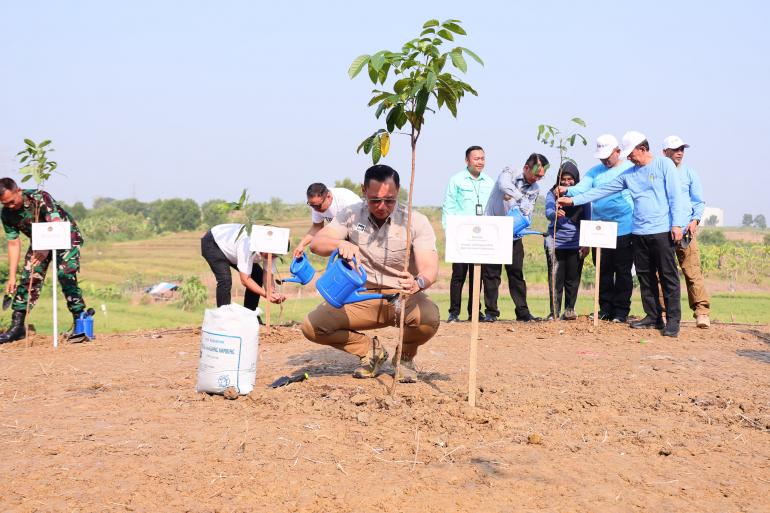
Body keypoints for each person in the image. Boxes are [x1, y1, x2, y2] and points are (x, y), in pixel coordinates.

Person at [301, 165, 439, 383]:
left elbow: (429, 267)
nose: (382, 206)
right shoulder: (350, 214)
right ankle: (370, 351)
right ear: (363, 190)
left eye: (389, 200)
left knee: (429, 318)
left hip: (402, 298)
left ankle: (404, 358)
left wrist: (418, 282)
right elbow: (317, 243)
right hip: (361, 297)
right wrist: (339, 244)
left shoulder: (416, 221)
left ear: (399, 190)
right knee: (312, 327)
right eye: (375, 200)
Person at [558, 131, 686, 337]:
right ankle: (653, 316)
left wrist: (677, 224)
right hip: (638, 231)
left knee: (667, 275)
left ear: (643, 149)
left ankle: (673, 320)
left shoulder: (664, 165)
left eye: (632, 153)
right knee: (645, 277)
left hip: (662, 230)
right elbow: (602, 190)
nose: (629, 158)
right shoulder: (629, 174)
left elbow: (675, 196)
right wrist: (573, 200)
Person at [0, 177, 88, 343]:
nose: (11, 206)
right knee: (29, 277)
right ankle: (17, 327)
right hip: (40, 242)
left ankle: (80, 322)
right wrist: (11, 276)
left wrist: (46, 249)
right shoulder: (6, 214)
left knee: (65, 275)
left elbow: (56, 225)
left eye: (12, 201)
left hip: (65, 237)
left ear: (18, 190)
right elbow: (13, 243)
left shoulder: (40, 197)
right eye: (5, 204)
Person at [560, 134, 635, 322]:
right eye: (601, 157)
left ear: (618, 151)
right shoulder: (595, 172)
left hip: (624, 227)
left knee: (623, 271)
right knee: (603, 270)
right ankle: (605, 308)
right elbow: (582, 188)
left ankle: (620, 311)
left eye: (608, 156)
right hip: (600, 228)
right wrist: (566, 190)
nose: (605, 160)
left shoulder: (630, 169)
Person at [481, 153, 548, 322]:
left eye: (541, 176)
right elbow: (504, 186)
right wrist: (519, 198)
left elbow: (527, 211)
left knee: (516, 274)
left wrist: (523, 211)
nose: (537, 179)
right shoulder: (509, 172)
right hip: (494, 230)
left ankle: (523, 312)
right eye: (536, 175)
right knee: (491, 274)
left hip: (514, 234)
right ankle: (491, 313)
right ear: (526, 168)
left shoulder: (534, 189)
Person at [441, 145, 494, 323]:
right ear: (467, 161)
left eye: (482, 158)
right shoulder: (456, 180)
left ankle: (474, 312)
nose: (480, 162)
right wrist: (449, 232)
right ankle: (454, 312)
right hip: (461, 234)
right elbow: (448, 206)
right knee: (458, 275)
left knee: (476, 276)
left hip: (482, 235)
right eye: (476, 158)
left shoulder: (489, 182)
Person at [662, 135, 710, 328]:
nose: (680, 152)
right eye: (675, 149)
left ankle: (702, 312)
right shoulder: (658, 173)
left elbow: (698, 200)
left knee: (692, 272)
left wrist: (695, 220)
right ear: (665, 152)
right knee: (661, 274)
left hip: (685, 230)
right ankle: (663, 312)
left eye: (682, 149)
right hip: (663, 230)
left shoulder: (690, 173)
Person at [201, 223, 286, 312]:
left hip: (233, 250)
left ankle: (250, 314)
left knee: (257, 275)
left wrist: (273, 294)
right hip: (214, 243)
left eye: (275, 256)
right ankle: (223, 317)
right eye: (272, 255)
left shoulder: (274, 249)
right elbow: (245, 280)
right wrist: (265, 294)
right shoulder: (247, 245)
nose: (272, 258)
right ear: (264, 247)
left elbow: (268, 276)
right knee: (225, 279)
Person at [544, 162, 591, 320]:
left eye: (570, 179)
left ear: (576, 179)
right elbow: (548, 212)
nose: (566, 182)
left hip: (575, 243)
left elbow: (588, 219)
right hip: (555, 243)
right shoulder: (552, 193)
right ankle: (554, 312)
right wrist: (555, 213)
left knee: (573, 278)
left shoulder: (583, 195)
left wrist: (586, 243)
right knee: (556, 279)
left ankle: (570, 309)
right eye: (563, 179)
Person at [292, 183, 362, 258]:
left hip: (361, 228)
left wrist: (357, 243)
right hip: (344, 237)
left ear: (329, 196)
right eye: (312, 205)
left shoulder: (347, 200)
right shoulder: (317, 204)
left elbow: (362, 223)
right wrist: (301, 245)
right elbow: (317, 227)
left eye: (318, 205)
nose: (315, 209)